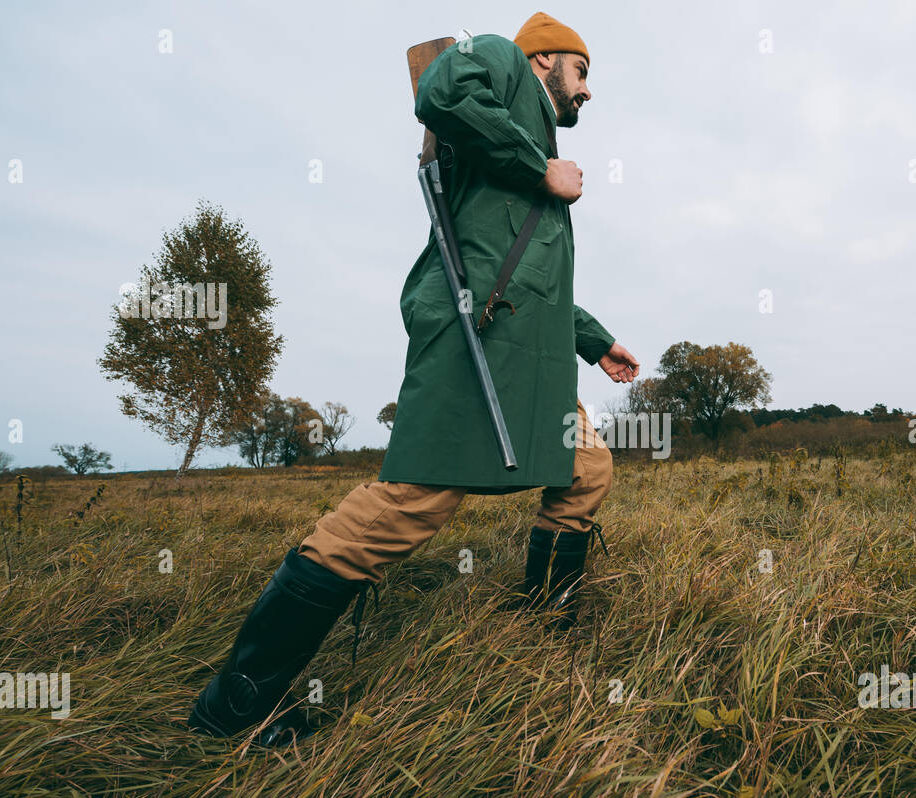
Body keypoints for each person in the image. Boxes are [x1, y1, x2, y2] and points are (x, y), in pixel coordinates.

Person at [187, 11, 640, 748]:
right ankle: (236, 703)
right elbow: (439, 90)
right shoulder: (497, 59)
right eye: (582, 72)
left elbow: (521, 269)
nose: (587, 92)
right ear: (545, 59)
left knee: (587, 465)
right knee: (413, 502)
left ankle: (541, 626)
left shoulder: (528, 142)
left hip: (527, 350)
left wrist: (595, 340)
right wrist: (538, 169)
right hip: (477, 341)